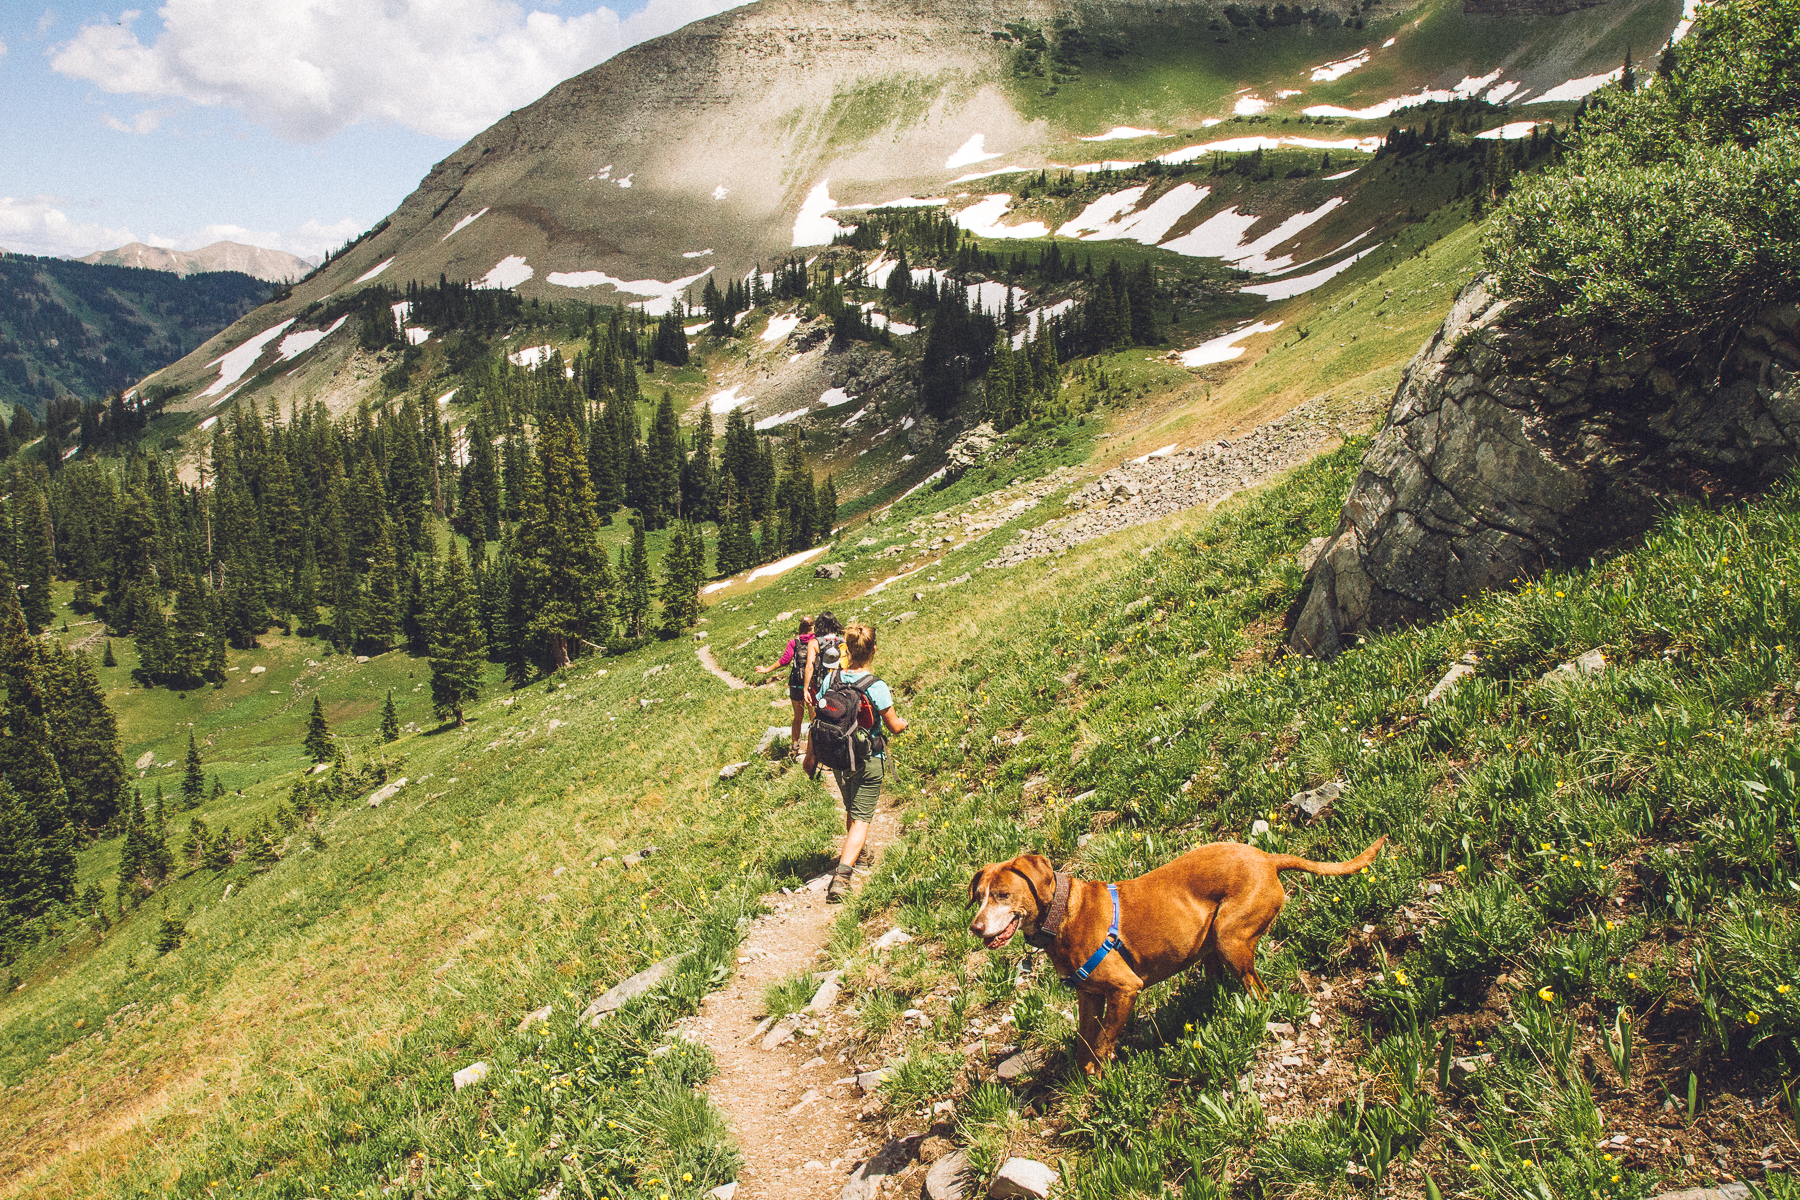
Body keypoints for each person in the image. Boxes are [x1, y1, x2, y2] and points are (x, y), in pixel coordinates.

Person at [817, 622, 906, 903]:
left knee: (852, 809)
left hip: (838, 756)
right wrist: (904, 723)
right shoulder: (876, 686)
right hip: (868, 758)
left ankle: (861, 853)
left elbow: (818, 714)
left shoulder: (830, 680)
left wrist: (811, 756)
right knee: (862, 819)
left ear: (848, 648)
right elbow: (893, 726)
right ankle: (842, 878)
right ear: (873, 650)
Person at [753, 616, 813, 752]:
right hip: (811, 685)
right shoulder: (816, 641)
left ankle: (795, 745)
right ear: (812, 626)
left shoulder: (794, 642)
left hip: (796, 684)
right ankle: (812, 747)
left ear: (800, 626)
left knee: (798, 717)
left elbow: (785, 660)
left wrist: (767, 669)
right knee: (813, 718)